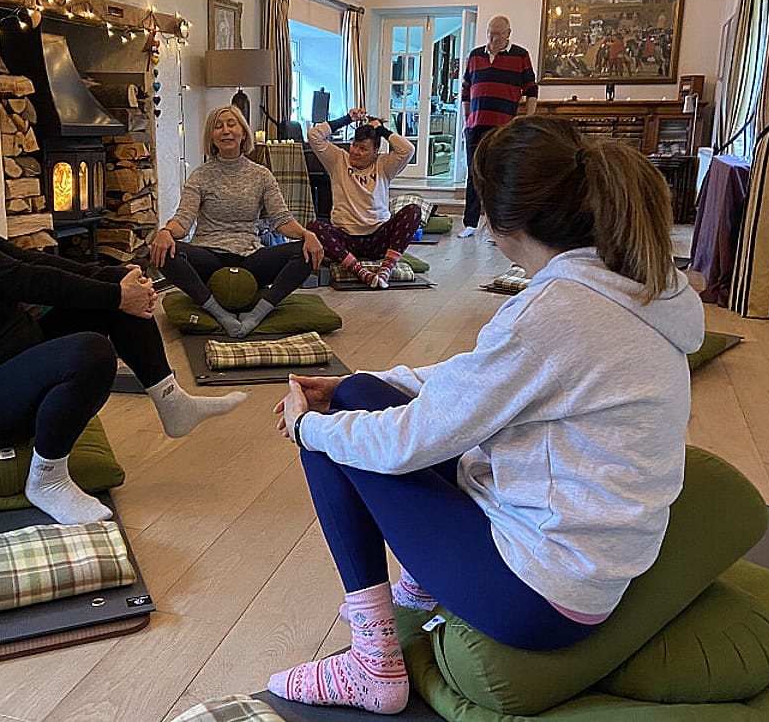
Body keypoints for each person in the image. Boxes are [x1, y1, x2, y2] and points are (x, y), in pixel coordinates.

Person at [267, 114, 705, 714]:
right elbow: (475, 382)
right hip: (591, 569)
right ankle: (424, 586)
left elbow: (410, 441)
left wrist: (307, 429)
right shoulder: (631, 281)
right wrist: (369, 382)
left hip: (540, 599)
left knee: (334, 436)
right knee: (360, 393)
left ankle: (373, 664)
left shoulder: (554, 313)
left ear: (504, 225)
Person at [0, 102, 245, 525]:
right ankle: (46, 478)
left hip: (2, 356)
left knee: (112, 285)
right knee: (92, 353)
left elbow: (25, 260)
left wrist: (111, 279)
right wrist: (114, 296)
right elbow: (20, 279)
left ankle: (171, 402)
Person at [151, 105, 323, 337]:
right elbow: (183, 220)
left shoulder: (261, 175)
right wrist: (165, 232)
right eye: (218, 126)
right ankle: (219, 313)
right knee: (164, 254)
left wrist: (307, 235)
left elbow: (282, 220)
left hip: (250, 257)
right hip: (209, 257)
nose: (225, 131)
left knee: (306, 254)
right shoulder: (200, 175)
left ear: (243, 132)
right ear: (211, 137)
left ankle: (258, 314)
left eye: (231, 124)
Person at [306, 108, 416, 288]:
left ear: (375, 151)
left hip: (378, 238)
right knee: (313, 227)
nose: (355, 152)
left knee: (413, 211)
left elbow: (407, 150)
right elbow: (314, 135)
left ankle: (385, 270)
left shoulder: (384, 165)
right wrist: (348, 119)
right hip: (346, 240)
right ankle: (360, 272)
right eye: (354, 145)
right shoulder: (337, 159)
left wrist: (382, 131)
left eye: (363, 148)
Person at [459, 15, 539, 238]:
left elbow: (531, 90)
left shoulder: (520, 55)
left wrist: (526, 119)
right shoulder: (475, 55)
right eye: (490, 34)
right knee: (474, 173)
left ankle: (501, 225)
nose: (493, 39)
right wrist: (467, 119)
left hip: (503, 127)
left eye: (498, 35)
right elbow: (465, 90)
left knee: (502, 175)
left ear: (508, 34)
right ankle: (470, 223)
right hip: (475, 126)